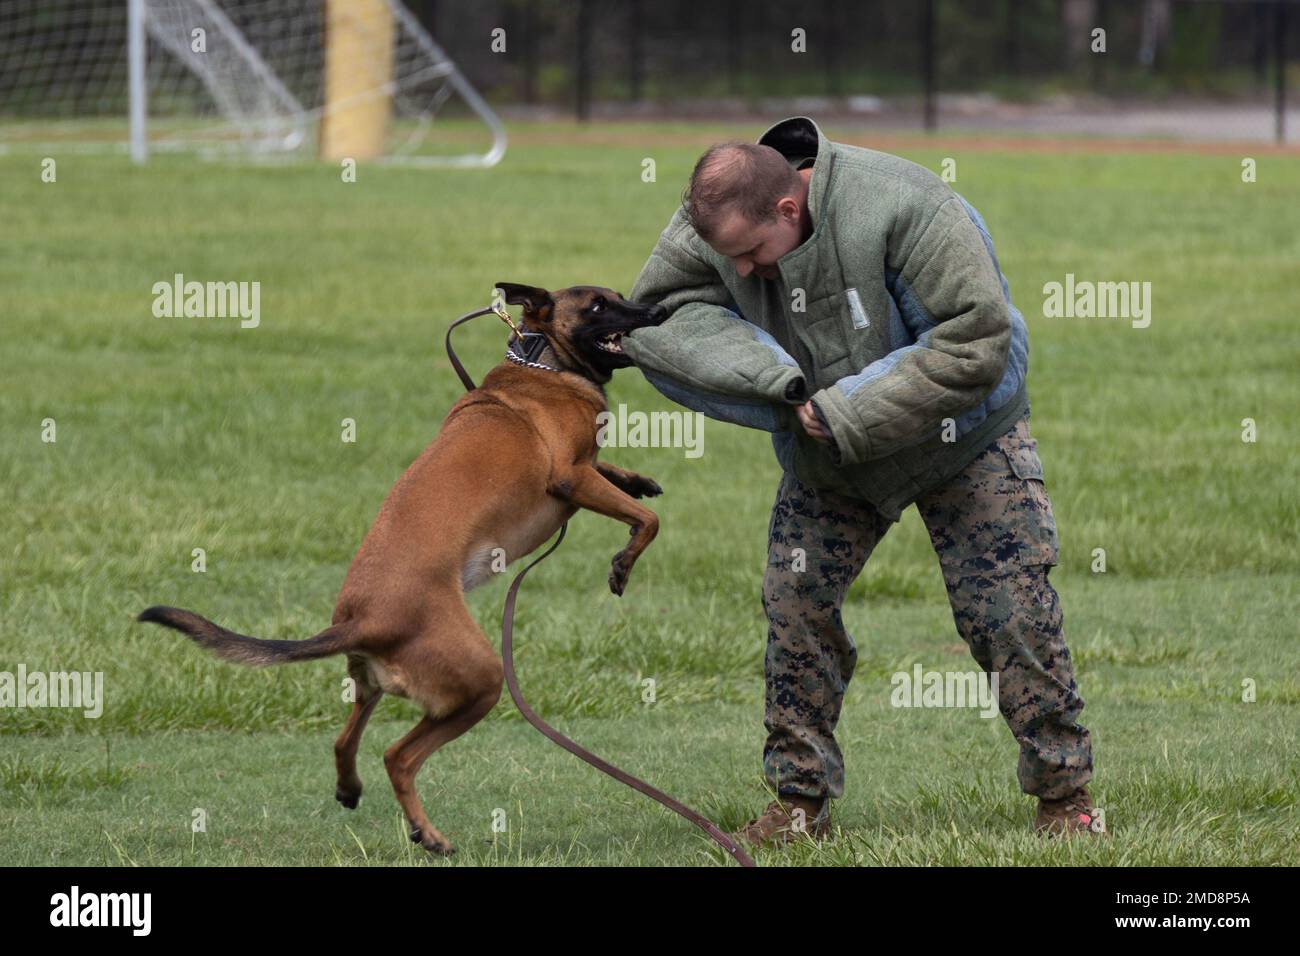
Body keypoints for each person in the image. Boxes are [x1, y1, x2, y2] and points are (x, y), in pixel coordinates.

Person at [621, 116, 1101, 848]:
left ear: (788, 207)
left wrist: (848, 406)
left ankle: (1067, 800)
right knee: (795, 606)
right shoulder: (715, 222)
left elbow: (975, 337)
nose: (744, 271)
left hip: (963, 436)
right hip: (828, 454)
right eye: (732, 259)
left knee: (1008, 611)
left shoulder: (907, 203)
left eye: (752, 253)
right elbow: (657, 317)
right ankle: (798, 803)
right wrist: (775, 381)